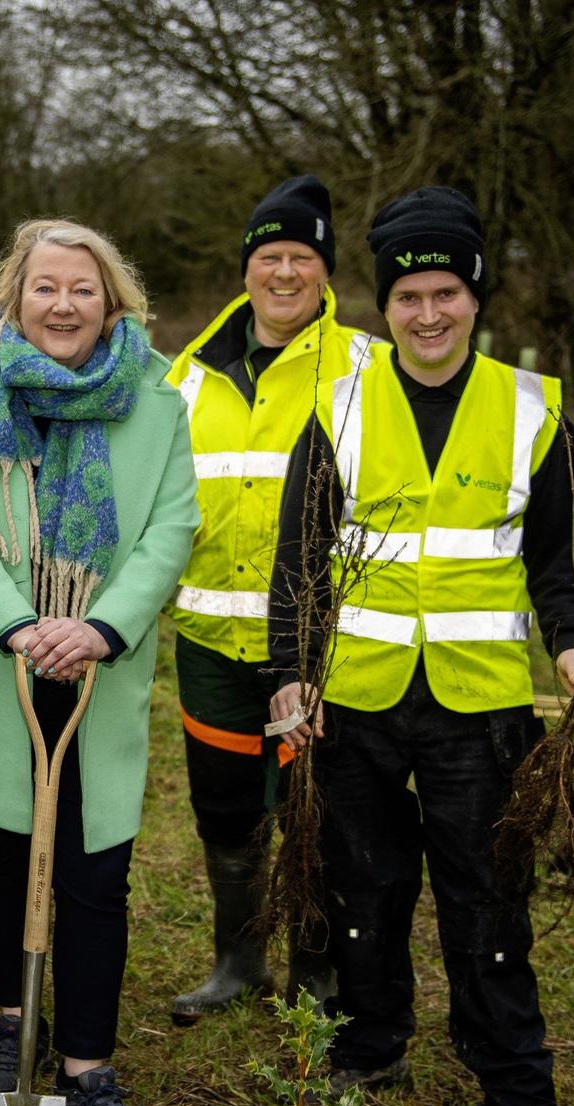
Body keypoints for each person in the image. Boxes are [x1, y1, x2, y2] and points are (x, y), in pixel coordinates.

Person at [267, 185, 574, 1106]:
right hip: (359, 700)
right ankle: (369, 1051)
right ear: (385, 303)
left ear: (473, 295)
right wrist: (292, 673)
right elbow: (298, 559)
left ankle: (516, 1099)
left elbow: (561, 558)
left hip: (483, 704)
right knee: (361, 889)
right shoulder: (337, 406)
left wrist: (571, 646)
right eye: (408, 294)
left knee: (486, 897)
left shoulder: (533, 411)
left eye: (444, 292)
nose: (426, 313)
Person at [0, 220, 197, 1106]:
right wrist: (17, 622)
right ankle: (12, 1022)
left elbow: (170, 527)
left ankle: (89, 1069)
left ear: (112, 301)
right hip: (1, 664)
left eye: (82, 288)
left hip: (95, 669)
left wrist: (101, 626)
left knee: (92, 874)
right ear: (13, 298)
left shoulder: (156, 401)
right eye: (44, 288)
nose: (62, 304)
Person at [162, 177, 362, 1019]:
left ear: (324, 272)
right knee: (225, 817)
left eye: (302, 258)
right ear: (246, 269)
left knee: (315, 817)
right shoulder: (189, 376)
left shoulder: (364, 369)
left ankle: (322, 977)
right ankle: (238, 965)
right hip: (209, 642)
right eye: (269, 257)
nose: (284, 273)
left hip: (324, 648)